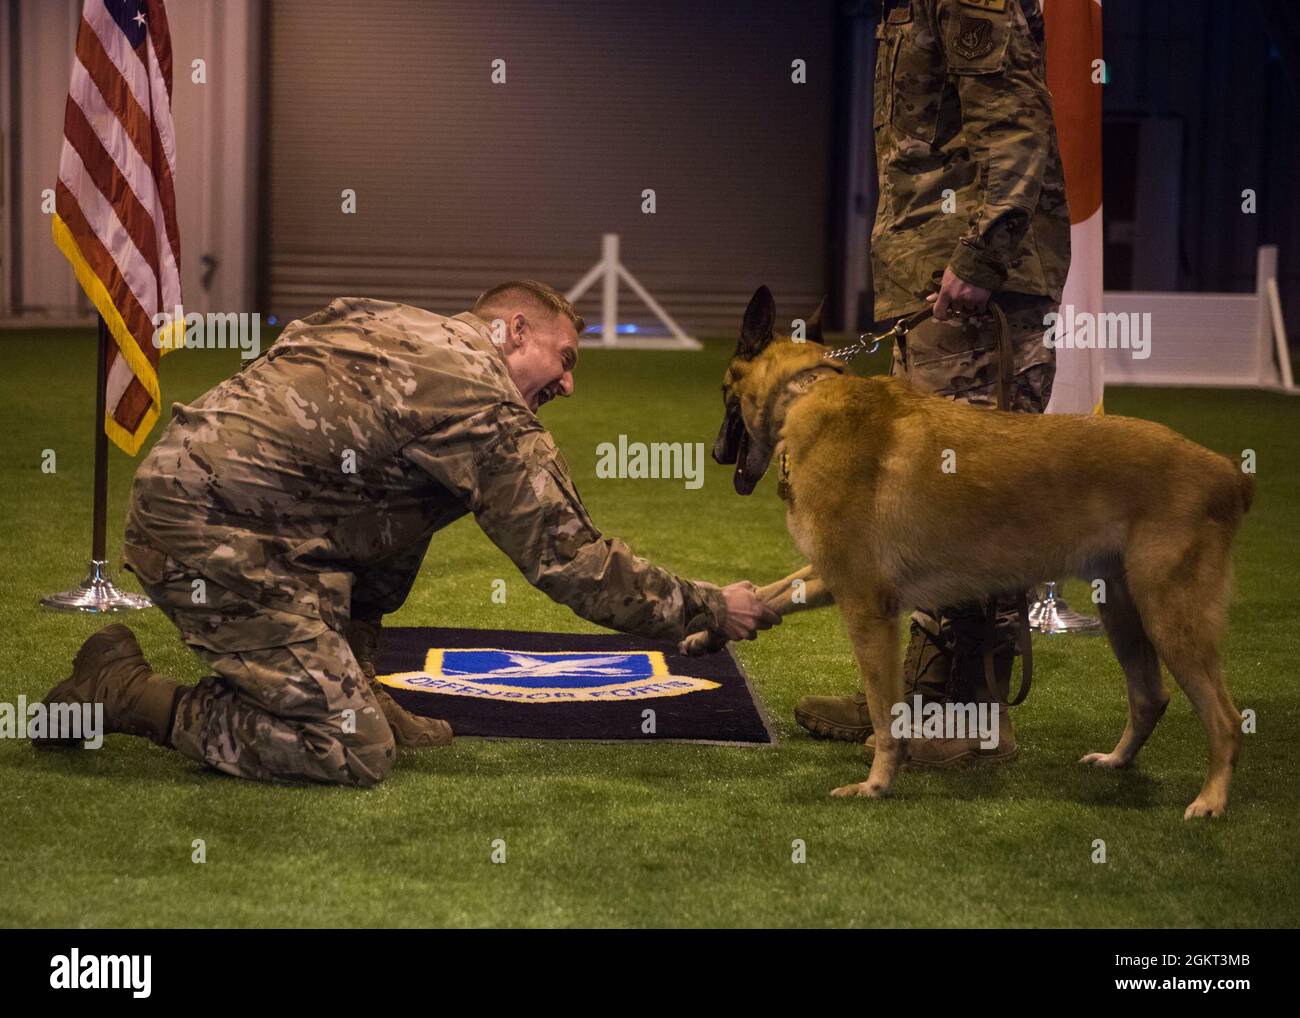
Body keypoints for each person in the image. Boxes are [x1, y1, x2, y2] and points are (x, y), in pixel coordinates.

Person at [36, 281, 778, 785]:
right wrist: (712, 606)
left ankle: (349, 672)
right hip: (207, 531)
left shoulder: (383, 319)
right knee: (351, 748)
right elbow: (572, 562)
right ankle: (125, 691)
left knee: (413, 489)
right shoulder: (482, 402)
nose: (570, 384)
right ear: (514, 329)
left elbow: (365, 496)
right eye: (566, 358)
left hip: (217, 504)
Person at [794, 0, 1071, 764]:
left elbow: (1016, 128)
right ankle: (922, 691)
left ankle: (969, 713)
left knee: (971, 500)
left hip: (974, 291)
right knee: (928, 497)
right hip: (932, 287)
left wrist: (981, 260)